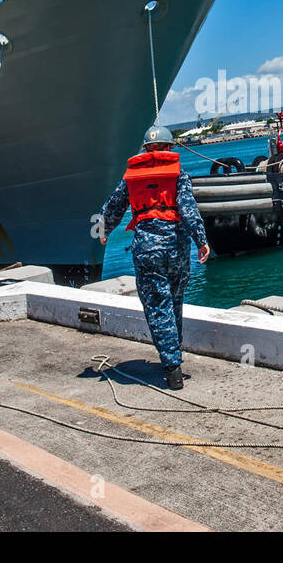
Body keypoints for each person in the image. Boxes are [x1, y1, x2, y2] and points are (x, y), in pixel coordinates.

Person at [98, 125, 211, 389]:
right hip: (176, 248)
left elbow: (113, 207)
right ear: (169, 148)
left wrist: (103, 230)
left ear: (147, 149)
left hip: (147, 250)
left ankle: (172, 366)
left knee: (158, 306)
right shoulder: (179, 175)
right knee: (175, 302)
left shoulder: (131, 177)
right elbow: (188, 210)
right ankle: (174, 358)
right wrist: (202, 241)